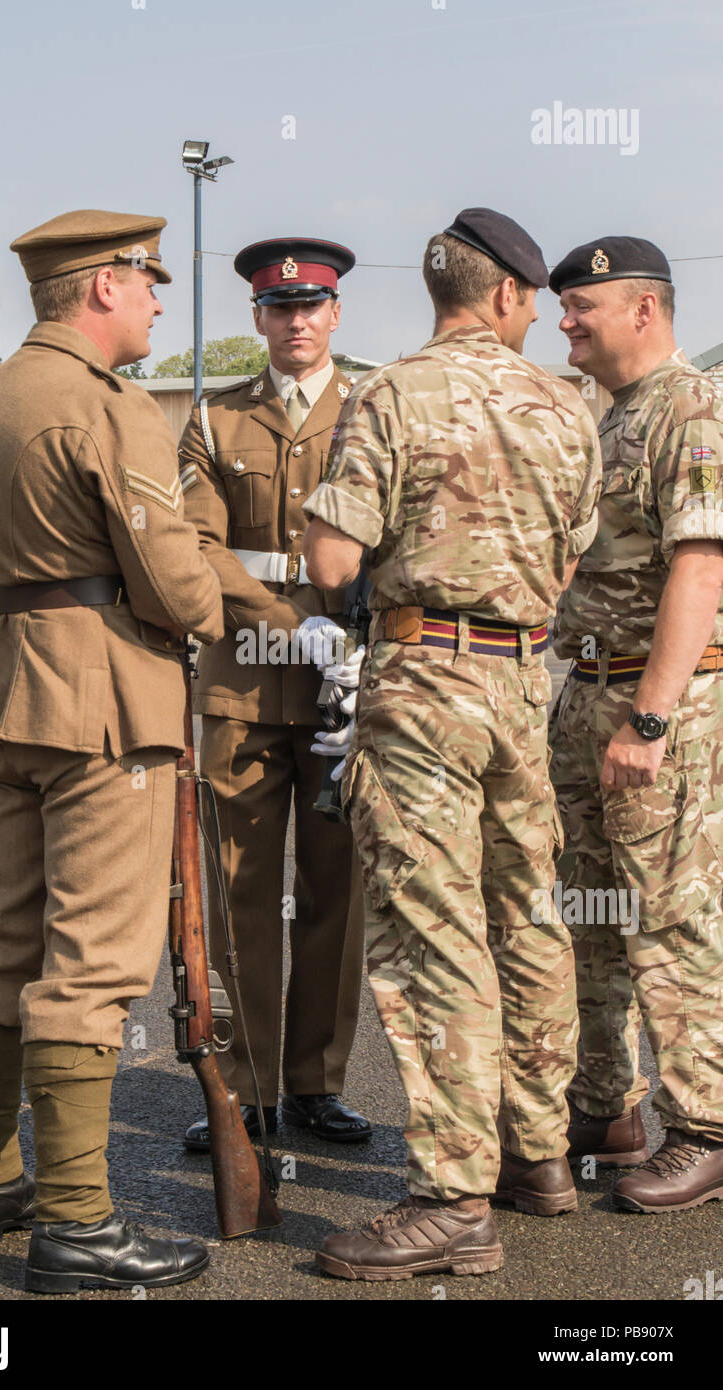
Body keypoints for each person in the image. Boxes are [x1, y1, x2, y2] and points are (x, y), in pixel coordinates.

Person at [303, 208, 603, 1280]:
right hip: (521, 680)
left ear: (442, 293)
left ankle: (449, 1196)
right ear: (508, 296)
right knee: (524, 913)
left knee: (433, 933)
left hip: (422, 678)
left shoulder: (387, 393)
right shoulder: (566, 407)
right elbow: (570, 560)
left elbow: (333, 560)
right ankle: (537, 1157)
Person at [0, 208, 224, 1292]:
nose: (155, 295)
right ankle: (77, 1224)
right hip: (103, 701)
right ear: (101, 287)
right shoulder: (112, 407)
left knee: (2, 939)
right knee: (93, 963)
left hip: (2, 689)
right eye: (146, 278)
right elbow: (178, 589)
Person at [178, 237, 371, 1150]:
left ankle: (314, 1084)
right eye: (278, 307)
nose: (295, 322)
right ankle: (244, 1089)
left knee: (336, 894)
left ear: (336, 315)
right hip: (245, 688)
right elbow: (198, 549)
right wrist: (295, 621)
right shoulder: (213, 422)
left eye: (310, 307)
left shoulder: (375, 407)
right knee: (239, 893)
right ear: (257, 318)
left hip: (348, 690)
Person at [547, 236, 723, 1211]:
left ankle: (704, 1125)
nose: (563, 320)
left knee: (668, 917)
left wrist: (647, 719)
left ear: (643, 312)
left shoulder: (689, 407)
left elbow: (701, 567)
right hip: (587, 693)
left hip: (659, 703)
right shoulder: (610, 413)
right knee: (592, 916)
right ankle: (604, 1105)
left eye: (582, 306)